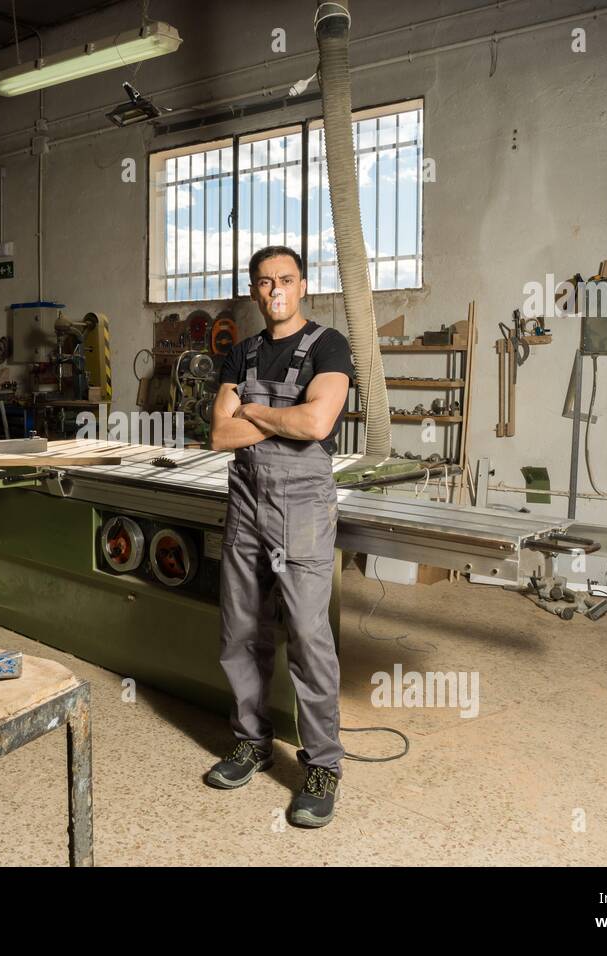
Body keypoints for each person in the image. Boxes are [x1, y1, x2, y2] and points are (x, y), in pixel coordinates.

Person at [206, 245, 354, 828]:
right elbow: (219, 434)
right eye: (265, 283)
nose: (275, 292)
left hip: (303, 508)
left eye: (286, 280)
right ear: (253, 291)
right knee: (240, 628)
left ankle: (321, 765)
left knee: (308, 634)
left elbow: (317, 424)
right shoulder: (240, 352)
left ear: (303, 285)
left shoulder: (329, 345)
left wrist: (256, 411)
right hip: (245, 503)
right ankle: (251, 740)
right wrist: (282, 416)